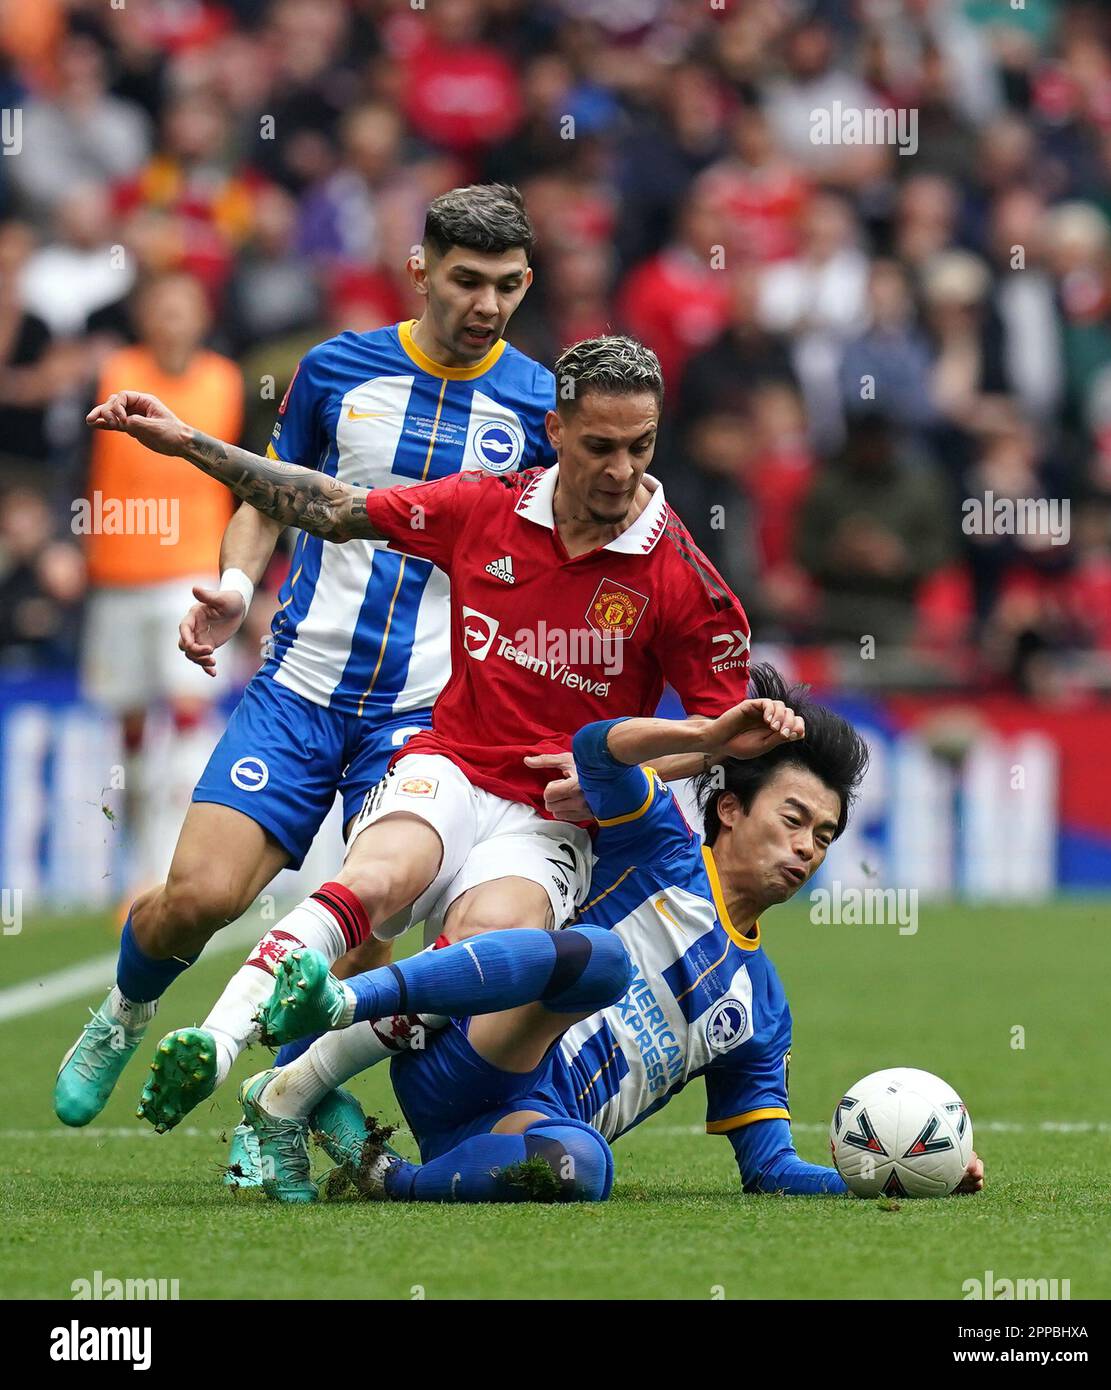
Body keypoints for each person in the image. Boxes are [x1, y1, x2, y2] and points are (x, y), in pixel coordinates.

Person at [81, 333, 752, 1139]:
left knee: (475, 965)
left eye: (638, 447)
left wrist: (623, 779)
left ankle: (284, 1094)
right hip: (451, 765)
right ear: (557, 431)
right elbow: (330, 505)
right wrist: (191, 444)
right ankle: (218, 1044)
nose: (619, 470)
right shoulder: (486, 506)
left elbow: (714, 735)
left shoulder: (685, 578)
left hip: (550, 819)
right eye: (600, 446)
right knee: (371, 884)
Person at [53, 184, 554, 1140]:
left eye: (504, 286)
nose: (484, 305)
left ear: (525, 282)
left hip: (424, 714)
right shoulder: (336, 369)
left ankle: (275, 1100)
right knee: (199, 899)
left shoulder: (538, 405)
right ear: (420, 271)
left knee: (366, 933)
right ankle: (123, 1012)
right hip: (300, 687)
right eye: (464, 281)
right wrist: (237, 590)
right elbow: (267, 494)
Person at [241, 669, 986, 1202]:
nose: (807, 849)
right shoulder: (660, 840)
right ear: (728, 810)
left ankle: (381, 1173)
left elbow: (769, 1170)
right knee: (601, 960)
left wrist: (890, 1175)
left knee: (583, 1169)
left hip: (510, 1127)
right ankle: (340, 1004)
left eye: (824, 836)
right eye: (792, 820)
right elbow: (596, 749)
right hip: (473, 1043)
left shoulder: (763, 1010)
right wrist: (707, 733)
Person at [80, 271, 243, 894]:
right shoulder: (113, 372)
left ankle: (172, 873)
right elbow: (82, 459)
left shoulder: (225, 382)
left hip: (191, 574)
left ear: (201, 318)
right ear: (146, 317)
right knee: (131, 736)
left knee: (186, 715)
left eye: (185, 309)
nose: (173, 321)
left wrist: (242, 576)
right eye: (162, 309)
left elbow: (248, 477)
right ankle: (135, 872)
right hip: (118, 571)